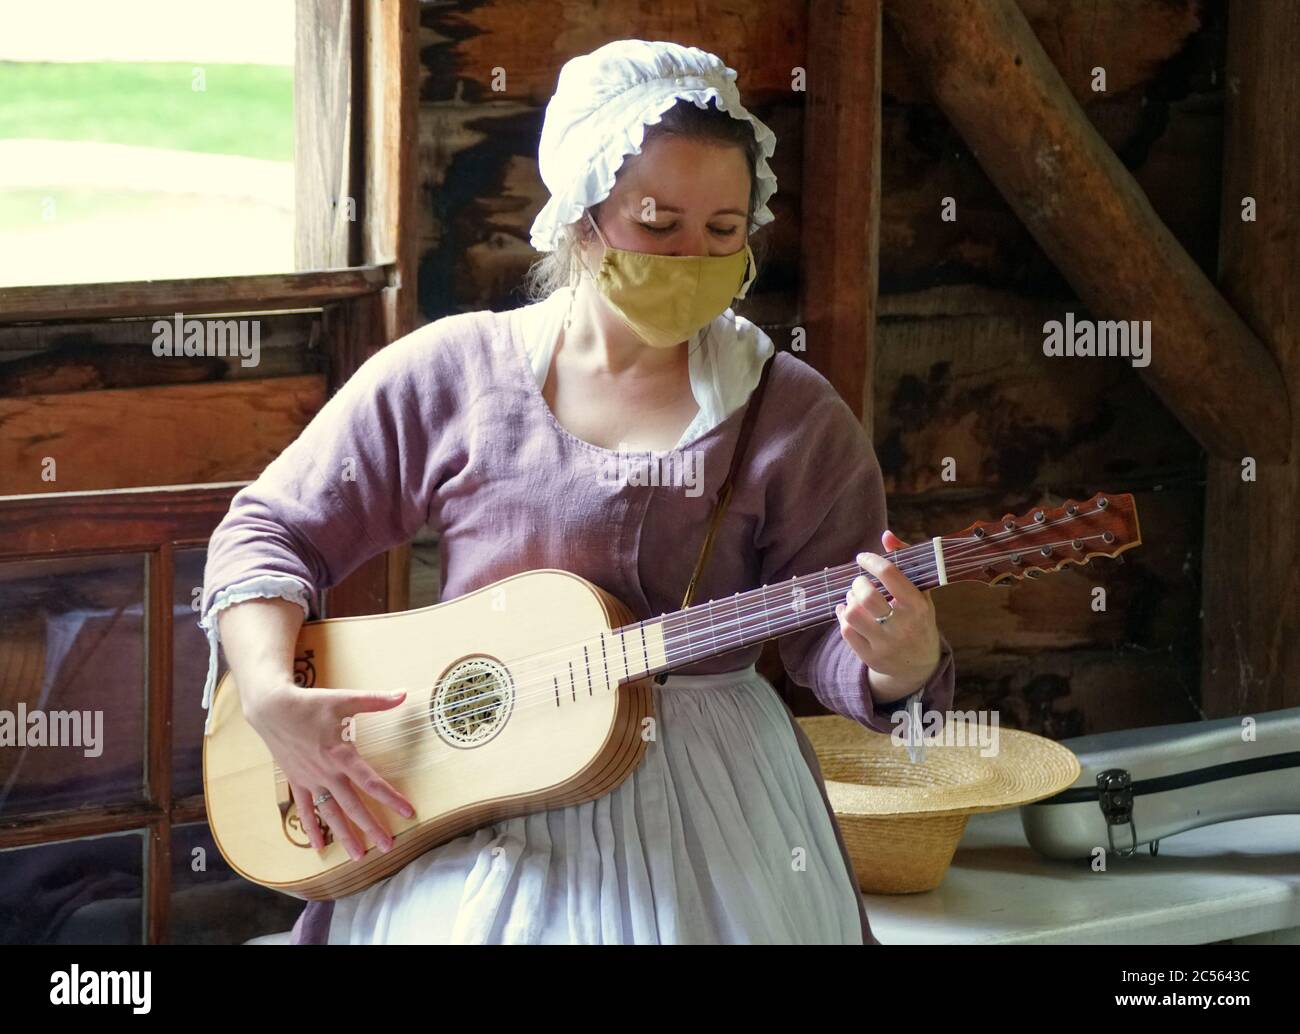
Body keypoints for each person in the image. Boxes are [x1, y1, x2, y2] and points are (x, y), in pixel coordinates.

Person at [199, 39, 955, 945]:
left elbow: (823, 645)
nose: (692, 257)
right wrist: (271, 690)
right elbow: (271, 530)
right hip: (470, 792)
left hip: (713, 807)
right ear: (582, 217)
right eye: (658, 222)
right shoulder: (458, 374)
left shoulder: (791, 415)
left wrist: (896, 661)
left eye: (723, 232)